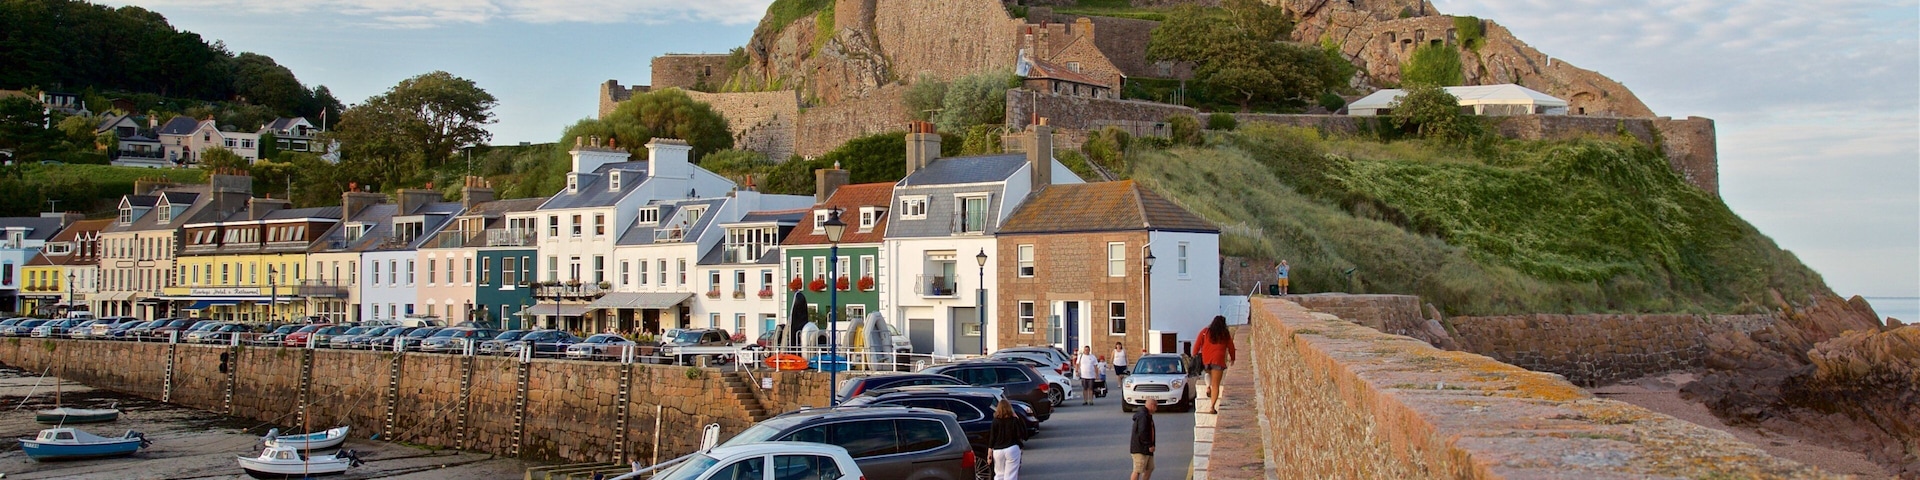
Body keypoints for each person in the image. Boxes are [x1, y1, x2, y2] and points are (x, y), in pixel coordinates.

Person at [1194, 315, 1236, 413]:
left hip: (1206, 360)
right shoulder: (1225, 334)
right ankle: (1212, 407)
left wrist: (1195, 354)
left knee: (1208, 373)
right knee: (1216, 385)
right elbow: (1231, 347)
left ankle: (1208, 387)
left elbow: (1197, 344)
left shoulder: (1205, 331)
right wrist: (1233, 358)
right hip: (1218, 361)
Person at [988, 398, 1024, 479]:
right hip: (1012, 448)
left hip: (998, 451)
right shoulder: (1014, 420)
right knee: (1011, 474)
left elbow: (992, 437)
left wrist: (989, 453)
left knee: (999, 474)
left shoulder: (995, 421)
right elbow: (1022, 434)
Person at [1130, 398, 1157, 480]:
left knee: (1150, 468)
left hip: (1147, 449)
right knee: (1137, 470)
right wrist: (1149, 445)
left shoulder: (1147, 415)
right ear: (1152, 405)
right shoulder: (1143, 417)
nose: (1156, 409)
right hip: (1140, 448)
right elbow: (1143, 432)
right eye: (1156, 406)